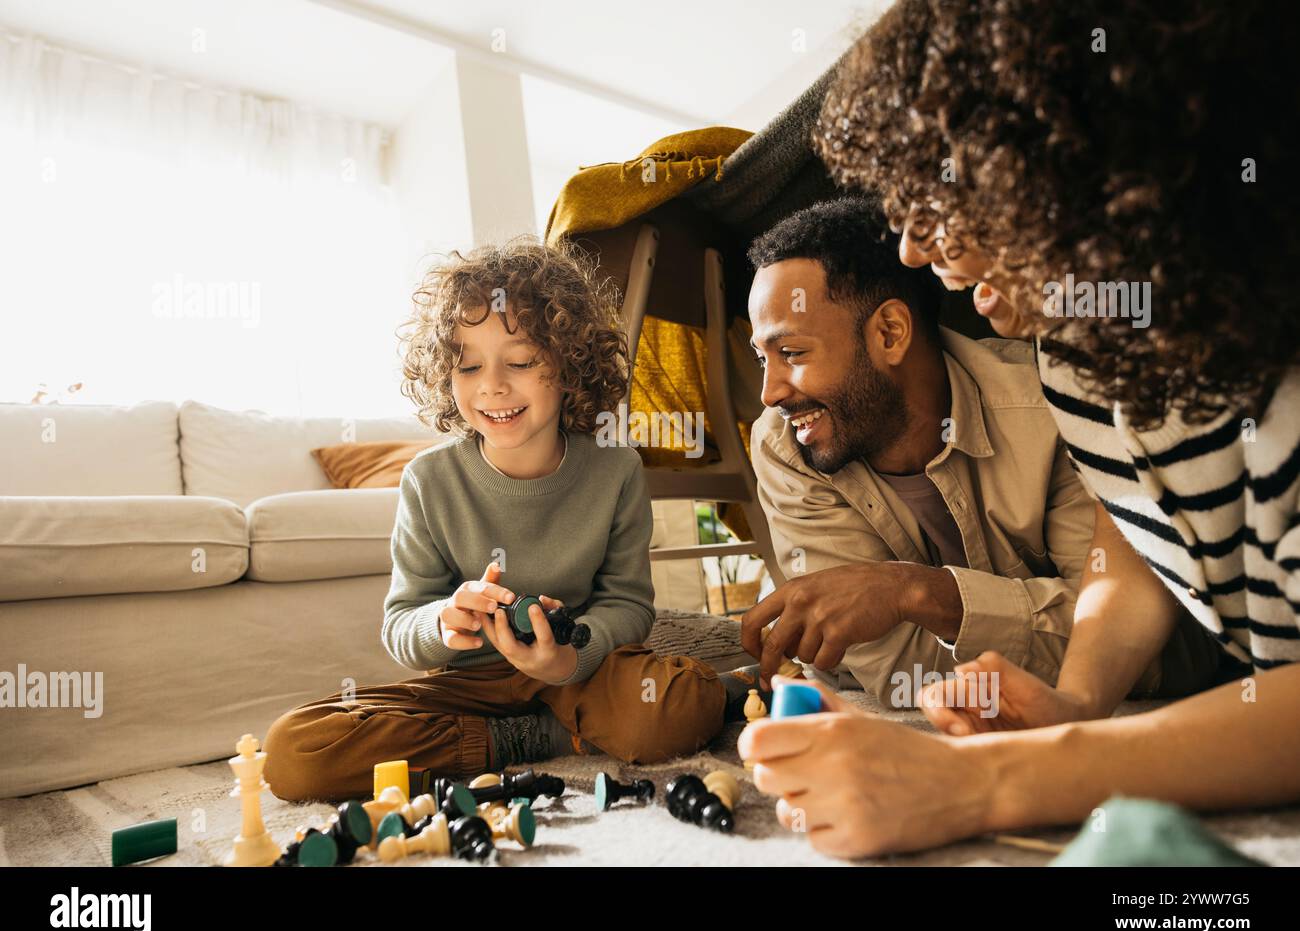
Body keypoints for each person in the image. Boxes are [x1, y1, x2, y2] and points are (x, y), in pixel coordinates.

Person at [739, 0, 1300, 858]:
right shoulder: (1079, 356)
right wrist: (1076, 701)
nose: (920, 251)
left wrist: (1003, 777)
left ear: (1066, 163)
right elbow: (1138, 548)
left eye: (938, 199)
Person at [264, 238, 752, 802]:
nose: (492, 384)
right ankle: (531, 740)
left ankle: (717, 693)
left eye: (520, 362)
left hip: (577, 676)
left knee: (675, 711)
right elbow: (401, 621)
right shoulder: (430, 480)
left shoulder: (615, 470)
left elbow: (629, 605)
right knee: (294, 752)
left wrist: (571, 654)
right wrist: (444, 622)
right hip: (469, 687)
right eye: (468, 365)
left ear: (570, 367)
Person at [741, 196, 1220, 704]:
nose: (770, 392)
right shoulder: (785, 448)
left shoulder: (1056, 402)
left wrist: (917, 592)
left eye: (791, 353)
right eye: (761, 357)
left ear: (890, 333)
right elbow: (901, 677)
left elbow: (1133, 655)